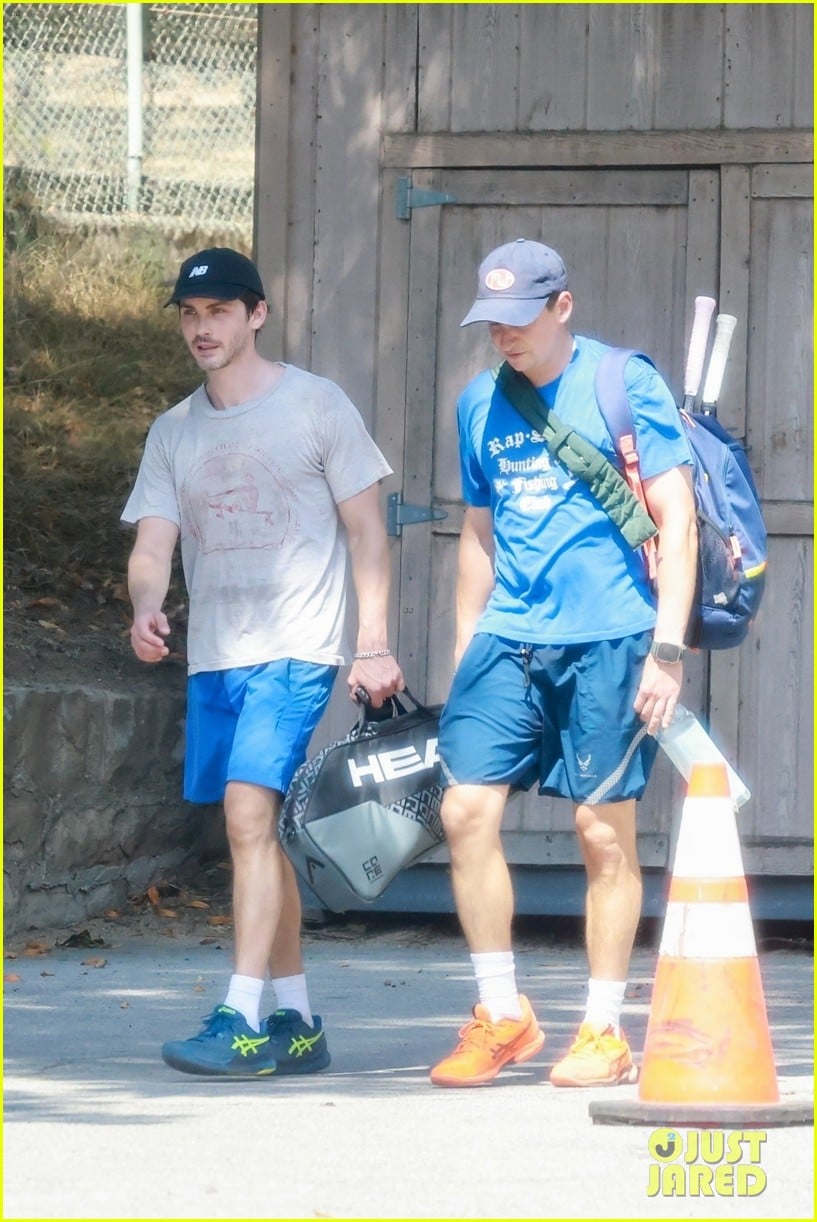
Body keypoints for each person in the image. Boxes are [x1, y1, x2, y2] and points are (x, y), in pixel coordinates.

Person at [122, 247, 404, 1077]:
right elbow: (152, 542)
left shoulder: (317, 406)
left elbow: (366, 532)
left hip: (298, 646)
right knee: (258, 836)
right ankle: (299, 1023)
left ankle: (240, 1017)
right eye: (188, 314)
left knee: (247, 815)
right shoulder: (173, 431)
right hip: (218, 656)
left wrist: (374, 641)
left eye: (217, 312)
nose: (201, 328)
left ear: (256, 315)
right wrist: (144, 605)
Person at [430, 238, 697, 1089]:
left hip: (615, 636)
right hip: (509, 636)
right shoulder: (479, 402)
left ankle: (603, 1028)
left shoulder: (624, 384)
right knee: (464, 813)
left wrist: (667, 648)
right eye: (492, 322)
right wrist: (467, 640)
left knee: (598, 831)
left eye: (518, 320)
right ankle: (502, 1013)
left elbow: (677, 521)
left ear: (562, 307)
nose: (503, 336)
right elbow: (479, 528)